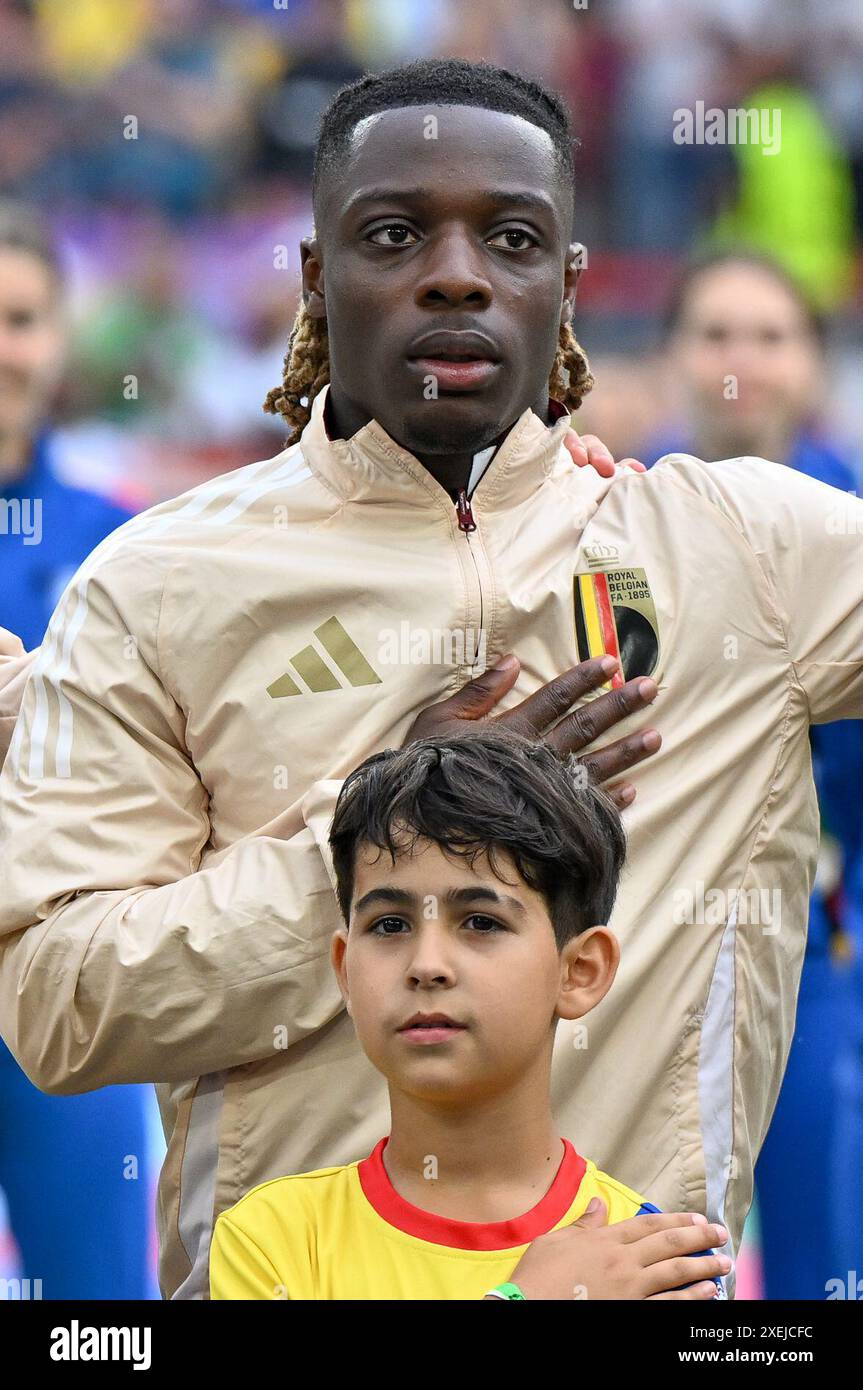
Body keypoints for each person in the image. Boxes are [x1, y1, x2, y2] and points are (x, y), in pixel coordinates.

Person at [0, 58, 861, 1301]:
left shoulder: (738, 556)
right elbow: (60, 1003)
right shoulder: (158, 582)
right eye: (395, 233)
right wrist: (386, 818)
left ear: (564, 285)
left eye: (509, 238)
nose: (455, 273)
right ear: (314, 276)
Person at [210, 730, 729, 1300]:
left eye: (481, 922)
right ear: (346, 971)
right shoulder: (274, 1242)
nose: (426, 965)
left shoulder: (649, 1264)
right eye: (390, 925)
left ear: (579, 971)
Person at [642, 249, 863, 1298]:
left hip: (826, 944)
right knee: (663, 1251)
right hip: (647, 948)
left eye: (769, 337)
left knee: (826, 1246)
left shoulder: (853, 525)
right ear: (675, 355)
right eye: (715, 334)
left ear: (813, 363)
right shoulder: (608, 513)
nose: (741, 361)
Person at [0, 207, 154, 1299]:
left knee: (97, 1312)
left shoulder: (124, 538)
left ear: (57, 339)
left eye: (20, 317)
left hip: (65, 975)